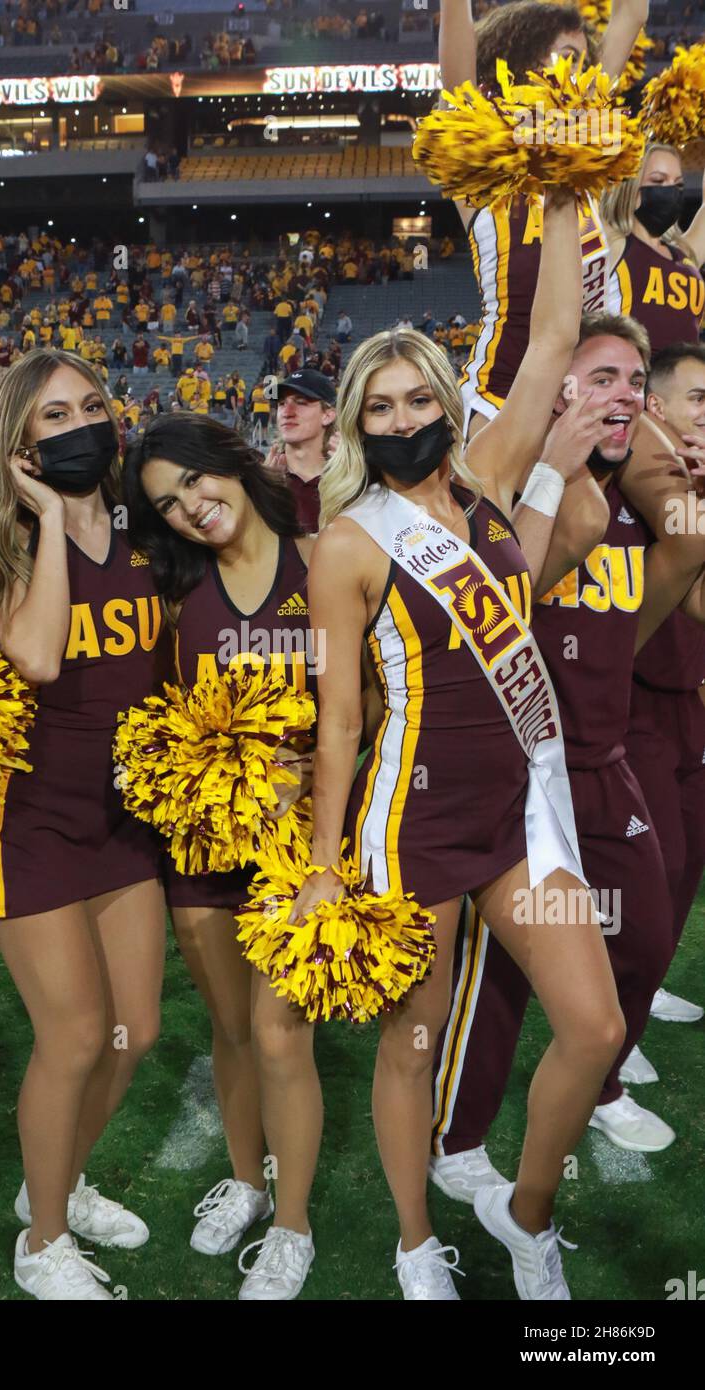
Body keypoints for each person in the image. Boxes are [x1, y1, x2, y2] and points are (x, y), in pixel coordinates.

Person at [291, 191, 627, 1301]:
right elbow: (340, 722)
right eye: (374, 408)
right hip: (411, 826)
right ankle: (409, 1239)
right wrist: (325, 865)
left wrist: (565, 184)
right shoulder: (346, 544)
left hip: (512, 818)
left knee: (592, 1026)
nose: (397, 422)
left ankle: (523, 1217)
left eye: (413, 398)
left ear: (445, 400)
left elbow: (543, 340)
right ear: (354, 425)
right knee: (413, 1045)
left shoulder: (486, 483)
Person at [431, 314, 701, 1202]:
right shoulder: (513, 496)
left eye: (637, 379)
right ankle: (458, 1136)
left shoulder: (643, 499)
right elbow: (508, 600)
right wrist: (561, 458)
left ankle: (599, 1077)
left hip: (606, 755)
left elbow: (681, 556)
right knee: (498, 972)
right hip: (523, 771)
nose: (622, 393)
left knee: (649, 930)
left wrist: (650, 427)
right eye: (602, 377)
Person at [0, 350, 167, 1300]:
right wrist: (50, 522)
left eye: (93, 407)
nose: (80, 427)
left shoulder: (145, 525)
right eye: (53, 416)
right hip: (28, 818)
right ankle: (44, 1243)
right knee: (73, 1038)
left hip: (124, 820)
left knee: (135, 1032)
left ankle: (56, 1184)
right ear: (19, 445)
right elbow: (33, 655)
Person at [123, 413, 321, 1300]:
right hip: (203, 843)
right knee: (233, 1029)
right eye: (168, 502)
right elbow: (158, 713)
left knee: (283, 1038)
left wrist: (310, 768)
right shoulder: (174, 586)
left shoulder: (323, 556)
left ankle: (294, 1226)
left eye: (197, 481)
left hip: (296, 841)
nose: (191, 507)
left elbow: (374, 694)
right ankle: (247, 1181)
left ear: (232, 465)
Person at [443, 0, 653, 437]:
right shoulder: (482, 162)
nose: (582, 73)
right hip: (505, 394)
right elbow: (457, 78)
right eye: (567, 57)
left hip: (593, 392)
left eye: (585, 61)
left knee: (671, 486)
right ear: (519, 60)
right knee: (497, 508)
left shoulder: (582, 145)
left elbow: (632, 14)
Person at [625, 343, 705, 1021]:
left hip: (690, 694)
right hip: (634, 698)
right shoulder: (638, 473)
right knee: (657, 865)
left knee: (690, 855)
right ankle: (614, 1031)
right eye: (699, 401)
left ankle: (643, 992)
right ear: (656, 408)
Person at [602, 146, 705, 351]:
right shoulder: (613, 244)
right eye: (658, 181)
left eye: (678, 184)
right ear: (629, 187)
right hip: (633, 378)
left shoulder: (684, 254)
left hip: (684, 380)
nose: (670, 191)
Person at [266, 370, 337, 532]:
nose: (287, 412)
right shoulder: (260, 483)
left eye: (301, 402)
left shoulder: (353, 481)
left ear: (327, 415)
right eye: (282, 403)